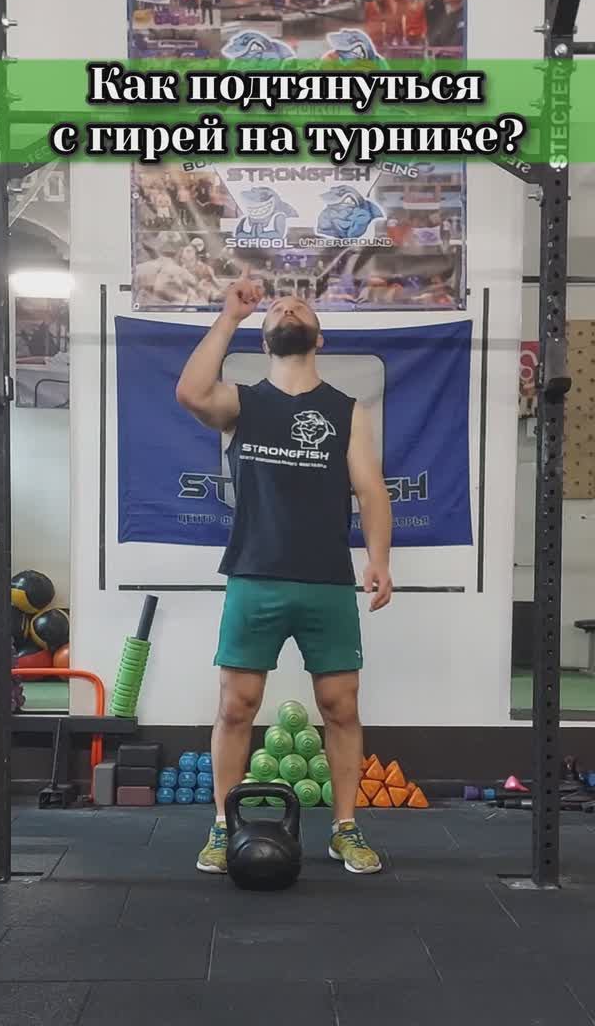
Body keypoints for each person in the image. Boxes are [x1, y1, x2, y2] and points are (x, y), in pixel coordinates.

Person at [176, 269, 393, 876]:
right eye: (278, 309)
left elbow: (371, 490)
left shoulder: (346, 411)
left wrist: (379, 560)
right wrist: (230, 316)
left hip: (326, 580)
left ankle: (345, 828)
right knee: (236, 706)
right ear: (264, 336)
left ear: (318, 337)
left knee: (340, 707)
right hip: (255, 575)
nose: (288, 309)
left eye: (300, 307)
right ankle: (223, 826)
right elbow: (191, 392)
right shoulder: (242, 403)